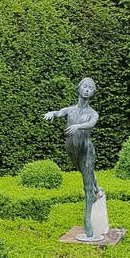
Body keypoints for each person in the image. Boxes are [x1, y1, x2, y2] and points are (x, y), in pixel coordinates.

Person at [44, 77, 103, 239]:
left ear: (92, 93)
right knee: (84, 172)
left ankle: (88, 223)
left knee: (86, 183)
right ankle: (98, 188)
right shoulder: (69, 110)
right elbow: (59, 113)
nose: (87, 89)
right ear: (78, 89)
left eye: (90, 88)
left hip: (86, 150)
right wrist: (53, 114)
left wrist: (78, 126)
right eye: (84, 86)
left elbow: (91, 124)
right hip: (72, 151)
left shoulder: (93, 113)